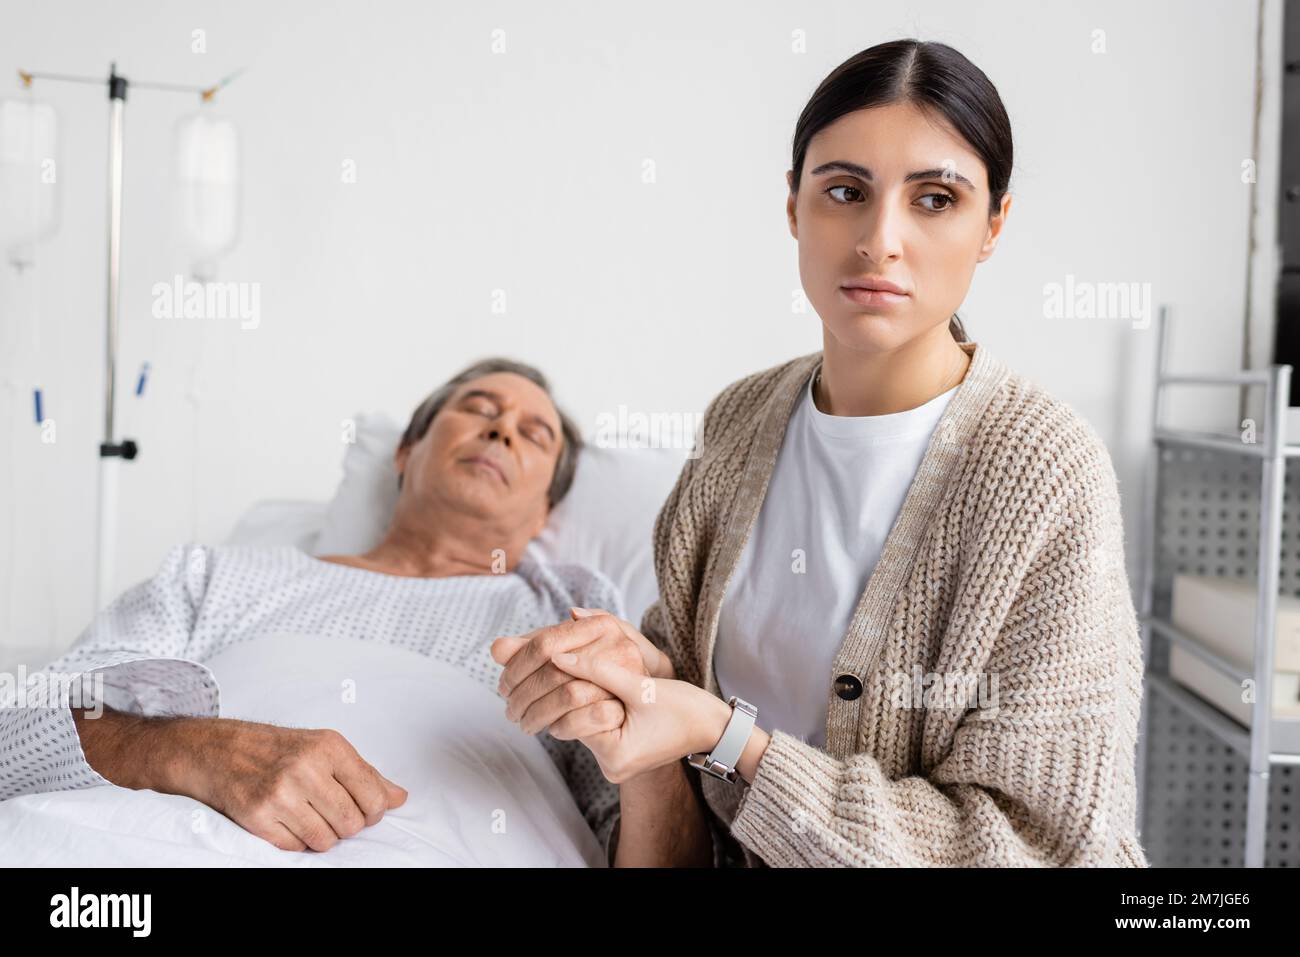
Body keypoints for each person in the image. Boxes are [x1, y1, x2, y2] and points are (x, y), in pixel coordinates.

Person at [494, 39, 1149, 867]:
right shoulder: (737, 423)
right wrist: (625, 677)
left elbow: (1035, 844)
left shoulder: (1047, 473)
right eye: (845, 191)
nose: (881, 239)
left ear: (994, 225)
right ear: (795, 207)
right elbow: (683, 707)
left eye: (936, 199)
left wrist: (730, 738)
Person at [0, 358, 626, 857]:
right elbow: (17, 726)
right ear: (406, 452)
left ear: (547, 510)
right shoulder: (219, 574)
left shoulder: (572, 615)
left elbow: (647, 840)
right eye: (478, 409)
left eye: (533, 434)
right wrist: (189, 749)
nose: (501, 429)